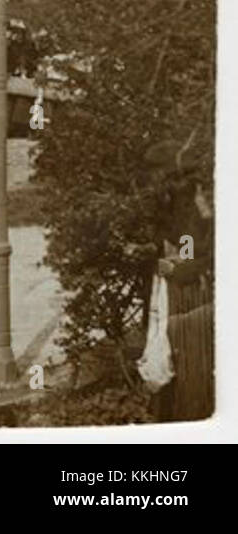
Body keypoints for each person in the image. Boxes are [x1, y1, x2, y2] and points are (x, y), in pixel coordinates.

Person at [141, 139, 214, 421]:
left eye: (156, 174)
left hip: (187, 295)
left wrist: (170, 266)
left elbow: (188, 253)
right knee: (176, 354)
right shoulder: (177, 203)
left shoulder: (186, 202)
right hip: (178, 292)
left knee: (182, 358)